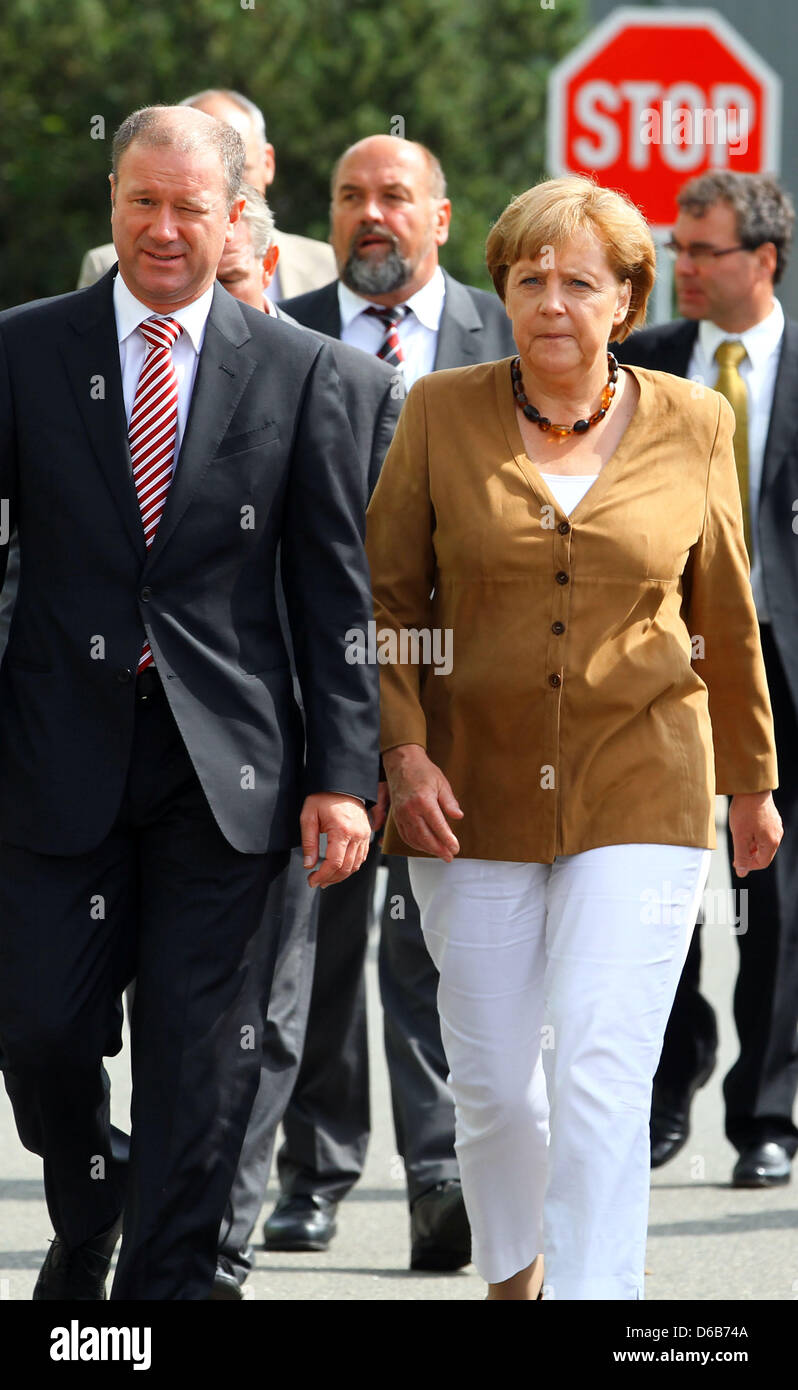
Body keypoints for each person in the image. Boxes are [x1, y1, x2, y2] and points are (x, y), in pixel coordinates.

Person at [365, 175, 781, 1300]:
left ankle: (601, 1299)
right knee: (497, 1082)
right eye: (528, 277)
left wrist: (752, 781)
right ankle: (517, 1275)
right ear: (502, 287)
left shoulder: (697, 421)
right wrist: (402, 753)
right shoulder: (439, 412)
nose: (551, 300)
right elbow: (390, 605)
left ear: (626, 298)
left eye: (578, 281)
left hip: (643, 776)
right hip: (468, 787)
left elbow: (725, 615)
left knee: (604, 1065)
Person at [0, 105, 377, 1301]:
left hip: (232, 773)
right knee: (43, 1028)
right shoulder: (25, 351)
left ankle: (165, 1301)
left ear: (236, 218)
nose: (163, 230)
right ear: (112, 201)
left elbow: (334, 591)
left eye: (189, 208)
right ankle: (90, 1181)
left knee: (201, 1058)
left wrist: (342, 774)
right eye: (141, 203)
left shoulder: (305, 370)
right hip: (56, 752)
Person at [267, 134, 517, 1267]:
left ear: (443, 217)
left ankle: (438, 1176)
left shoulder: (503, 337)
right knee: (313, 942)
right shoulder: (276, 332)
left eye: (396, 197)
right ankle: (313, 1171)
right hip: (309, 685)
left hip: (459, 689)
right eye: (352, 197)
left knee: (434, 947)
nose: (373, 215)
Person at [210, 185, 400, 1298]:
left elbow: (363, 590)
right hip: (136, 744)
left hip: (289, 744)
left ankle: (220, 1238)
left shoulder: (340, 383)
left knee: (271, 1008)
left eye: (236, 284)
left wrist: (360, 756)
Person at [615, 171, 798, 1187]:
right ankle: (667, 1075)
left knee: (776, 897)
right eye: (677, 248)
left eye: (704, 250)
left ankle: (765, 1113)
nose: (682, 266)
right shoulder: (640, 365)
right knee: (658, 881)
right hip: (669, 660)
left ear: (763, 259)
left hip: (785, 661)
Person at [77, 89, 336, 298]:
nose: (164, 231)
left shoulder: (327, 266)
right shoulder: (107, 266)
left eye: (241, 172)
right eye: (146, 201)